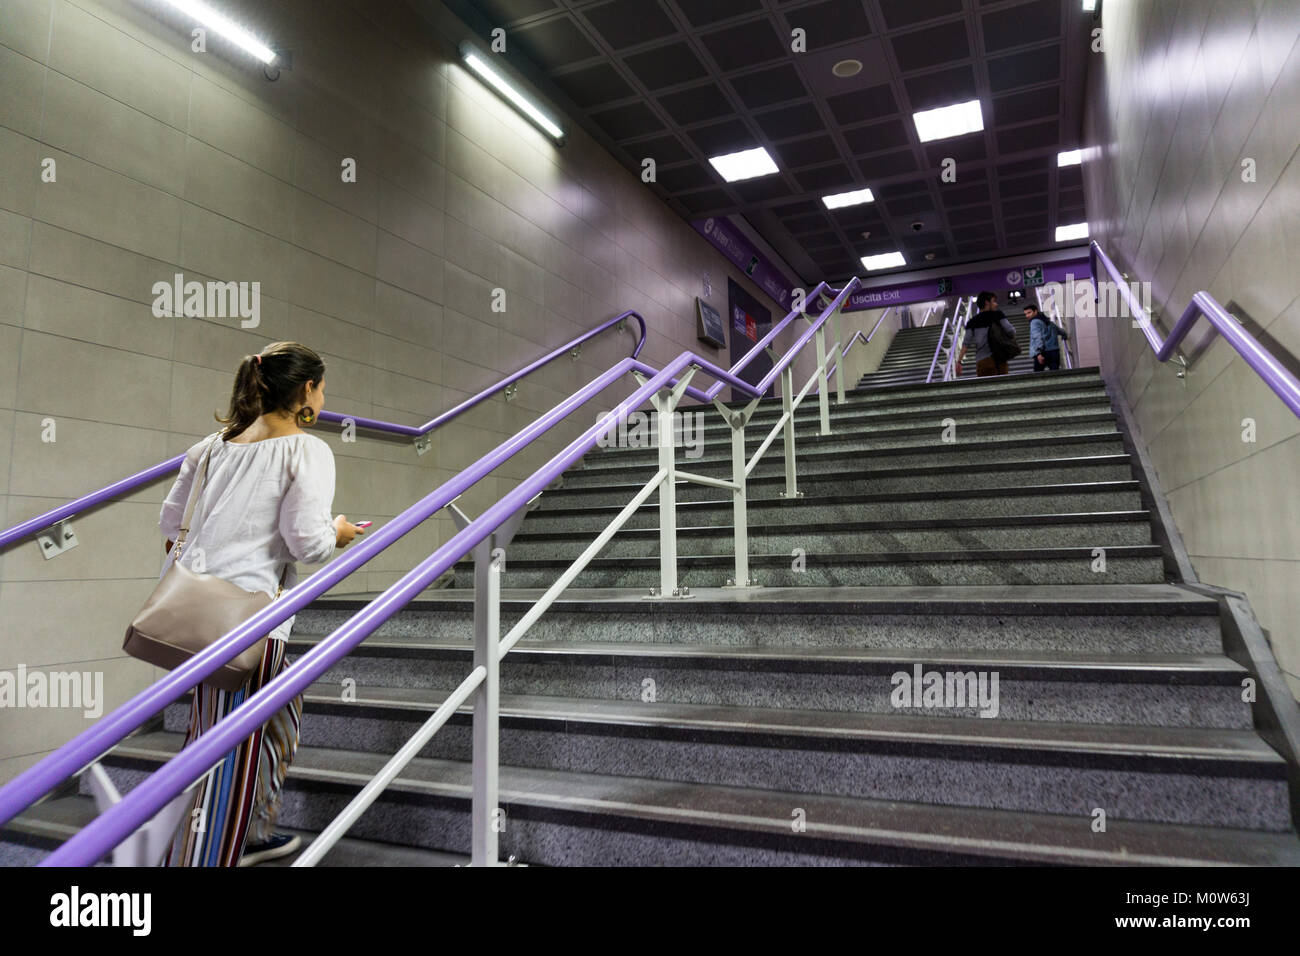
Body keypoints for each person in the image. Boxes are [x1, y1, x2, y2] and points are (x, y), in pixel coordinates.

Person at [159, 342, 366, 867]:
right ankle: (202, 856)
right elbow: (307, 544)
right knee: (224, 754)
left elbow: (170, 526)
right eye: (323, 386)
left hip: (197, 613)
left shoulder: (209, 448)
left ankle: (252, 829)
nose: (325, 396)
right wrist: (339, 532)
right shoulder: (306, 450)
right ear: (306, 391)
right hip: (252, 623)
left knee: (274, 715)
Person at [954, 291, 1017, 377]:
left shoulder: (972, 322)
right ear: (987, 303)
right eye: (994, 301)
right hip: (1000, 359)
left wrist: (959, 361)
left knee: (987, 388)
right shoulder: (998, 315)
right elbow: (1011, 331)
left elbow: (966, 344)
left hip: (983, 361)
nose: (996, 304)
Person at [1026, 302, 1067, 372]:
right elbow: (1060, 331)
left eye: (1029, 312)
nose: (1027, 315)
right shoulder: (1049, 322)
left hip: (1043, 352)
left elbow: (1037, 337)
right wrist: (1064, 336)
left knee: (1037, 376)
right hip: (1054, 352)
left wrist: (1038, 353)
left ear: (1035, 311)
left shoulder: (1034, 322)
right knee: (1055, 374)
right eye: (1026, 314)